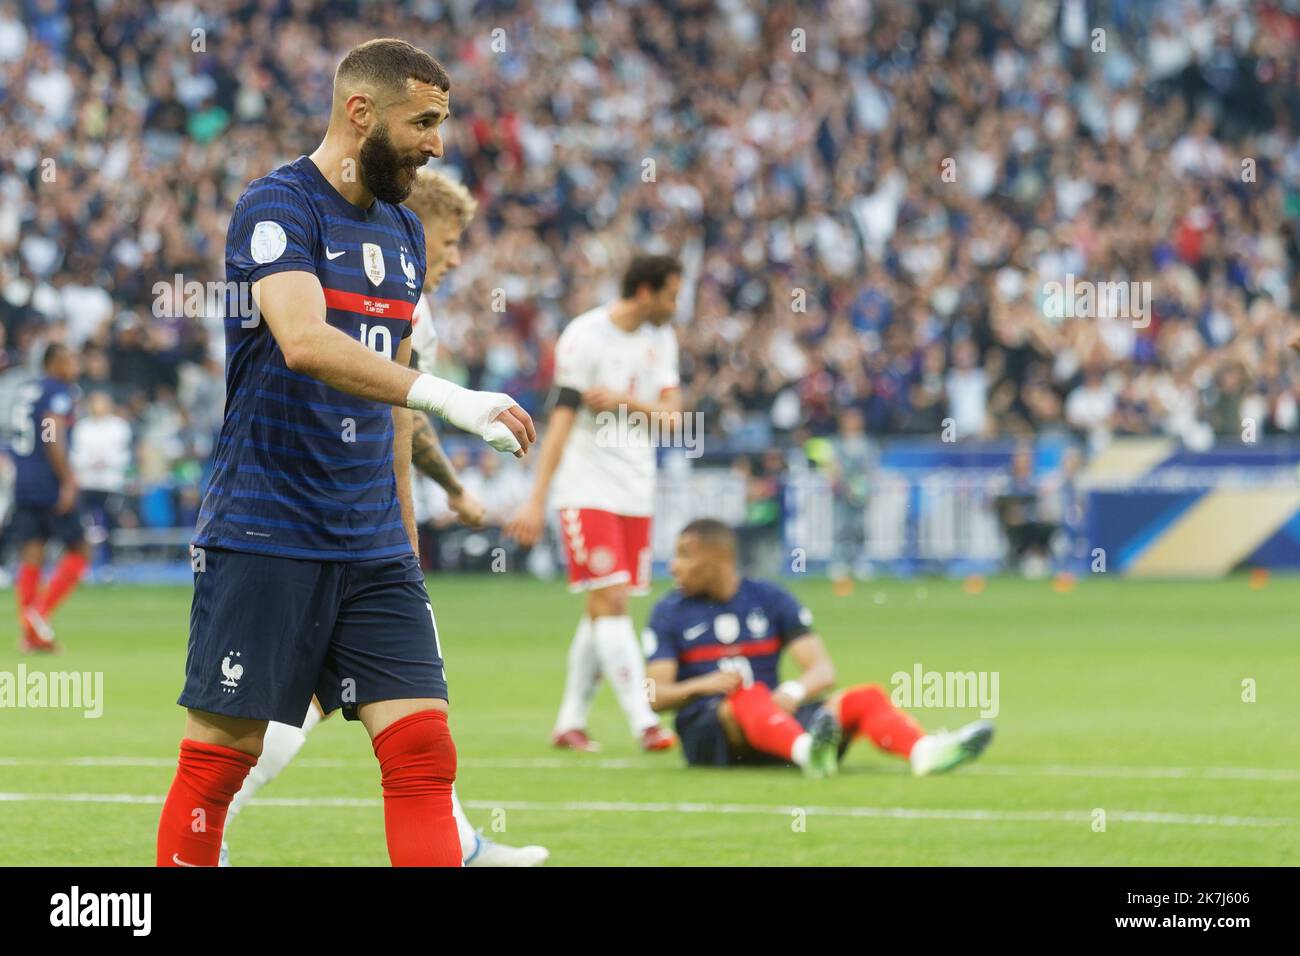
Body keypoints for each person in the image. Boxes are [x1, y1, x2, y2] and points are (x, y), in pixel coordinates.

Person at [155, 38, 535, 868]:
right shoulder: (277, 206)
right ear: (359, 112)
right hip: (267, 530)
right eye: (423, 122)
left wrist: (405, 530)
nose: (438, 141)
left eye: (442, 122)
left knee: (424, 755)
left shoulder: (404, 228)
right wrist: (446, 394)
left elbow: (389, 391)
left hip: (371, 544)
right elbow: (303, 340)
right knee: (219, 765)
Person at [220, 167, 547, 867]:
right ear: (415, 224)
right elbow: (400, 424)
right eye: (451, 240)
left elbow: (404, 417)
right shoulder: (377, 284)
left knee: (412, 721)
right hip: (315, 528)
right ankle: (216, 822)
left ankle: (461, 844)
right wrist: (409, 532)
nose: (454, 258)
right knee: (304, 709)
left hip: (349, 530)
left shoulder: (402, 303)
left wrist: (450, 490)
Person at [644, 519, 994, 776]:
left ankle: (924, 752)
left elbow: (823, 670)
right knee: (748, 696)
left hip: (775, 721)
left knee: (864, 698)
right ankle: (808, 750)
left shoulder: (769, 598)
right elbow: (654, 694)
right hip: (711, 733)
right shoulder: (668, 612)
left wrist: (794, 691)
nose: (674, 565)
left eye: (684, 556)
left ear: (719, 558)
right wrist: (703, 686)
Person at [507, 255, 683, 753]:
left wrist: (626, 404)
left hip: (635, 490)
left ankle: (569, 721)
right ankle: (644, 721)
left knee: (600, 607)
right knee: (612, 599)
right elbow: (561, 419)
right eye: (671, 294)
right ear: (644, 291)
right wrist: (537, 496)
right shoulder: (584, 337)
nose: (675, 305)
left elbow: (673, 417)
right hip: (585, 487)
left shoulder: (661, 339)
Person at [9, 342, 87, 652]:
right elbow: (50, 432)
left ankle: (31, 634)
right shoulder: (57, 391)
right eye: (69, 359)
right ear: (54, 363)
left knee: (33, 551)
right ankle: (37, 617)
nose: (74, 366)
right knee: (81, 549)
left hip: (24, 480)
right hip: (49, 483)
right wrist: (67, 480)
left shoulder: (28, 389)